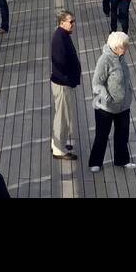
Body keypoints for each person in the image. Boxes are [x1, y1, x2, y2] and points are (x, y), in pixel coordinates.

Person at [88, 31, 134, 172]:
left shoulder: (121, 58)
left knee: (122, 135)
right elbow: (96, 83)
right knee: (102, 135)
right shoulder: (105, 60)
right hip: (106, 108)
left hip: (123, 106)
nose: (126, 49)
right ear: (116, 47)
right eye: (124, 46)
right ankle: (95, 162)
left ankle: (122, 160)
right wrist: (106, 96)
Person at [50, 10, 80, 160]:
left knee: (61, 115)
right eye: (71, 21)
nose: (73, 24)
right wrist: (69, 79)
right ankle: (58, 149)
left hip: (62, 82)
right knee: (62, 116)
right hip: (62, 83)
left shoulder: (62, 35)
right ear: (62, 23)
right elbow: (61, 63)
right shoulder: (60, 38)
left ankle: (57, 143)